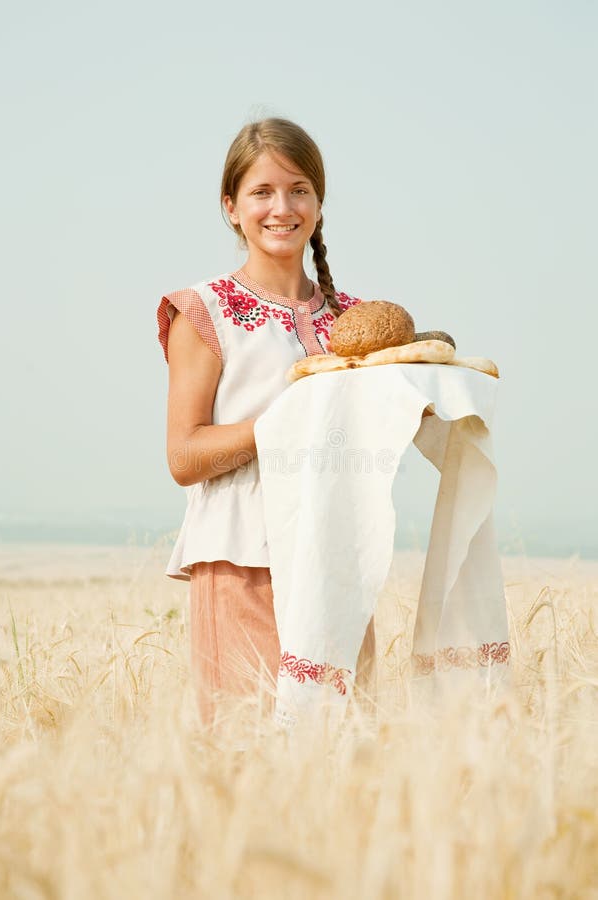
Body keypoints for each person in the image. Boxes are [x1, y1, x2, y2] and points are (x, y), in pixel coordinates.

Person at [157, 118, 377, 728]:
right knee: (245, 758)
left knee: (345, 753)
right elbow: (184, 456)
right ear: (230, 207)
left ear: (318, 203)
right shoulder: (205, 311)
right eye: (261, 192)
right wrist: (286, 420)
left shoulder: (357, 320)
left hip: (337, 559)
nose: (282, 207)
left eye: (299, 189)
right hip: (241, 559)